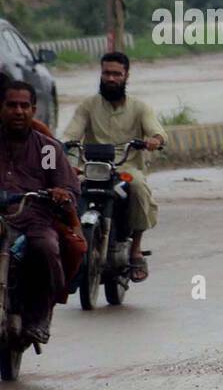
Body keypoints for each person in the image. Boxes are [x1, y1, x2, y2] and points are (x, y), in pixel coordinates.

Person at [62, 52, 166, 282]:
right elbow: (71, 133)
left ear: (126, 76)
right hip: (91, 167)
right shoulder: (88, 106)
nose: (111, 78)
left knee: (138, 186)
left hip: (125, 168)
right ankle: (72, 245)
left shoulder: (140, 107)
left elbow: (156, 131)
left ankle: (136, 250)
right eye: (106, 73)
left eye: (116, 74)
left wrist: (154, 140)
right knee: (66, 190)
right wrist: (65, 147)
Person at [0, 81, 80, 344]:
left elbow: (68, 187)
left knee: (46, 248)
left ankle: (41, 315)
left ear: (34, 109)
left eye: (24, 106)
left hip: (34, 219)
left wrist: (61, 193)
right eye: (12, 105)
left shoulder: (46, 149)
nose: (18, 111)